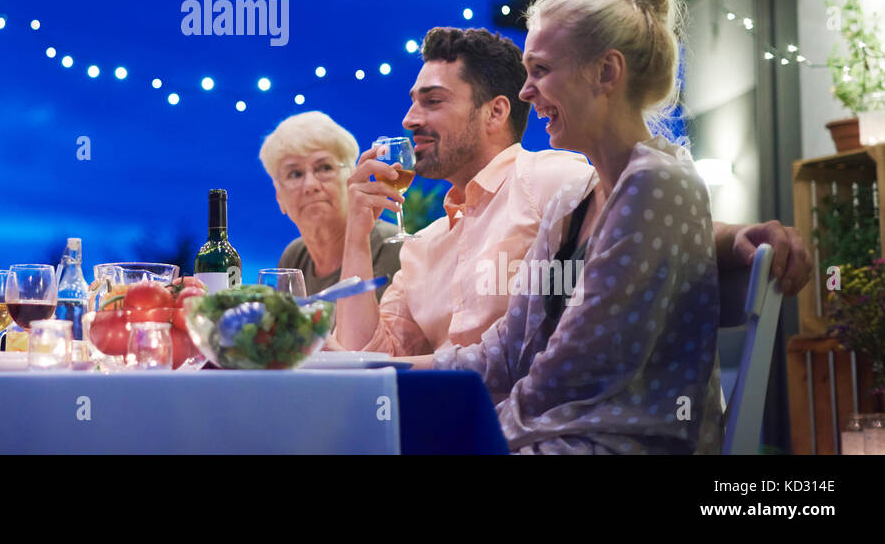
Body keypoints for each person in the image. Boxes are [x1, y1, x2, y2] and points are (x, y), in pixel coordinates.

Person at [335, 27, 810, 361]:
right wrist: (356, 235)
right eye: (413, 101)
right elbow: (367, 358)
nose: (408, 119)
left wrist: (738, 237)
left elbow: (643, 225)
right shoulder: (425, 245)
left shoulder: (546, 182)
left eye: (432, 101)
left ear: (496, 112)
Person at [436, 0, 721, 453]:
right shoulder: (574, 199)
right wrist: (391, 372)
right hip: (561, 435)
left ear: (606, 72)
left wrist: (464, 427)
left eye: (540, 71)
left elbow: (573, 371)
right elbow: (507, 349)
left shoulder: (657, 186)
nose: (525, 92)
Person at [260, 112, 401, 298]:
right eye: (294, 174)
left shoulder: (392, 248)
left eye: (325, 167)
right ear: (279, 196)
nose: (310, 185)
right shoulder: (294, 257)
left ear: (352, 179)